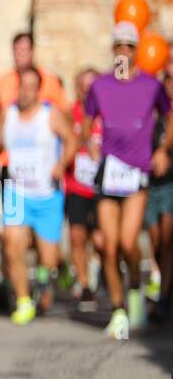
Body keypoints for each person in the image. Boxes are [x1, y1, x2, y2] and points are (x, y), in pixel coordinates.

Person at [83, 21, 173, 338]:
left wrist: (162, 149)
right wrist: (89, 142)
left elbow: (169, 113)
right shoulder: (100, 86)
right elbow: (87, 119)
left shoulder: (151, 86)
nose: (123, 51)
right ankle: (119, 310)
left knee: (127, 242)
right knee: (108, 247)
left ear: (137, 51)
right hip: (109, 173)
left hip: (137, 174)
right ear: (112, 49)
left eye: (129, 46)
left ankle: (134, 285)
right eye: (118, 45)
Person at [0, 67, 76, 325]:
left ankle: (56, 268)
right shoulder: (8, 114)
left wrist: (61, 165)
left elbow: (71, 140)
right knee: (12, 243)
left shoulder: (50, 114)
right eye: (22, 85)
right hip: (17, 192)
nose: (26, 91)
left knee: (48, 258)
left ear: (38, 89)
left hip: (47, 196)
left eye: (32, 86)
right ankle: (24, 301)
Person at [65, 67, 103, 312]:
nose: (87, 91)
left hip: (103, 186)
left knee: (101, 239)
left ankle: (98, 266)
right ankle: (85, 285)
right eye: (83, 86)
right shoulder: (70, 114)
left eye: (92, 86)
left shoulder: (108, 112)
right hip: (76, 184)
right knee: (77, 236)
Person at [145, 69, 173, 322]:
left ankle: (163, 298)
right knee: (155, 241)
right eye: (168, 79)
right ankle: (165, 283)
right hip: (148, 183)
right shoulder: (152, 110)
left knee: (167, 240)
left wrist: (164, 149)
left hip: (170, 183)